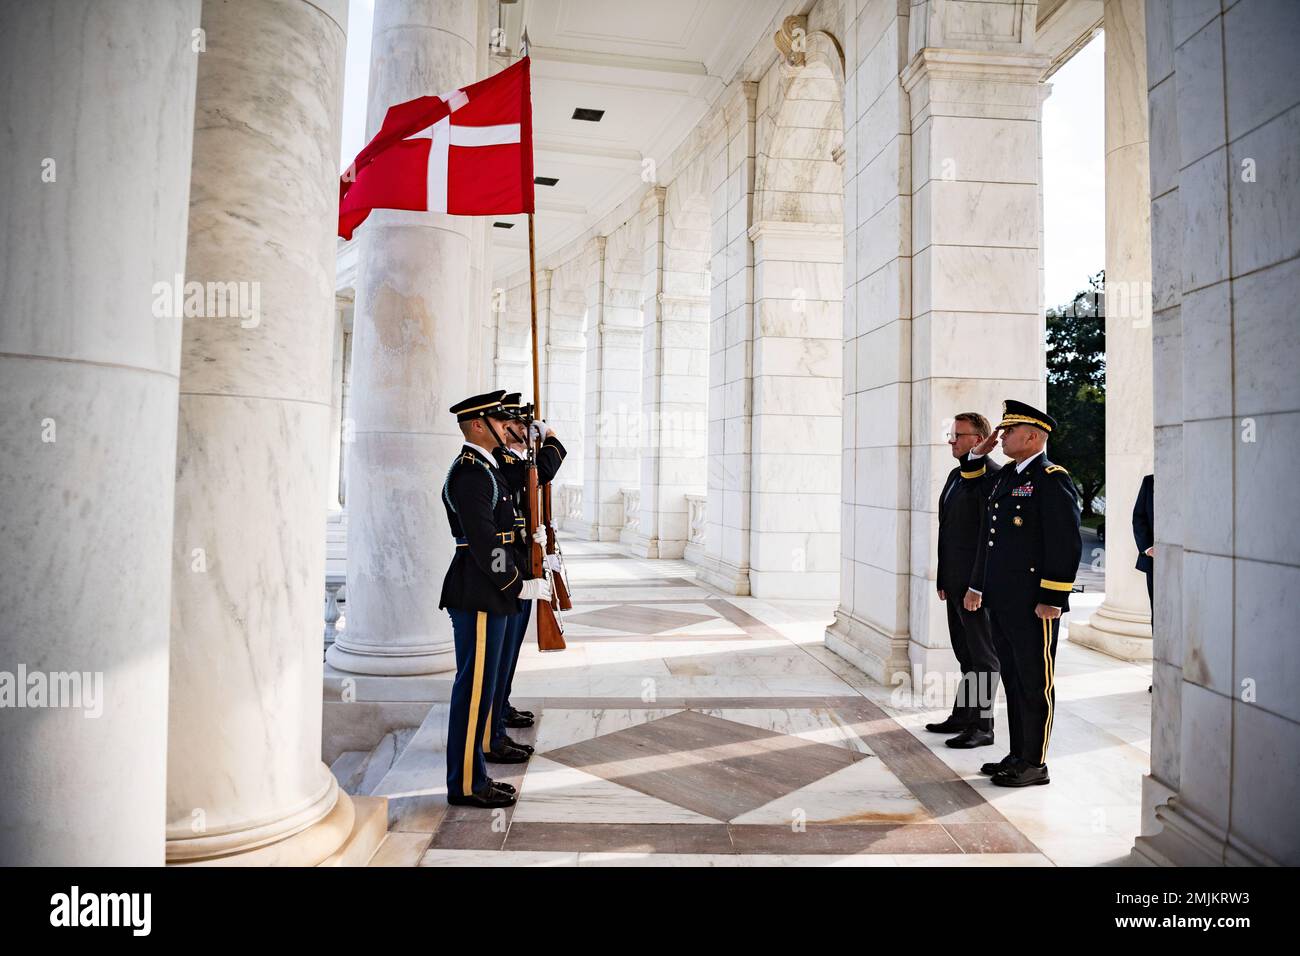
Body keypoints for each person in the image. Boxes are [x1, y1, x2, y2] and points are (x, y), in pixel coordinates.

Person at [438, 389, 551, 808]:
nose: (509, 429)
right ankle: (466, 783)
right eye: (501, 423)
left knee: (485, 690)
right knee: (473, 691)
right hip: (480, 592)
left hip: (490, 590)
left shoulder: (487, 468)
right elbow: (485, 543)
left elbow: (506, 528)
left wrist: (531, 545)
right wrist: (517, 584)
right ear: (479, 426)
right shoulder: (470, 473)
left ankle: (478, 764)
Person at [964, 400, 1082, 787]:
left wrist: (1052, 597)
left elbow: (1064, 544)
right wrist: (978, 585)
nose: (1001, 437)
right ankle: (1017, 754)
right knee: (1013, 679)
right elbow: (987, 535)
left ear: (1032, 436)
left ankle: (1035, 762)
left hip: (1035, 604)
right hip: (1004, 601)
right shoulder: (1007, 477)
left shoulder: (1051, 478)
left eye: (1009, 431)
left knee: (1035, 681)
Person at [482, 392, 567, 763]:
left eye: (517, 424)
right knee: (498, 657)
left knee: (510, 652)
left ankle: (501, 709)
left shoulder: (509, 459)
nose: (517, 430)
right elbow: (541, 472)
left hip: (520, 563)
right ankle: (493, 725)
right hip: (508, 572)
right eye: (514, 424)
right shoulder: (496, 463)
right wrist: (551, 439)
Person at [928, 412, 1002, 749]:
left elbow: (989, 540)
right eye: (951, 434)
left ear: (979, 440)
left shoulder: (992, 478)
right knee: (965, 654)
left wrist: (978, 587)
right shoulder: (955, 476)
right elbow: (948, 534)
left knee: (983, 657)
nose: (951, 440)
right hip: (956, 583)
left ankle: (983, 727)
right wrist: (945, 578)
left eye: (958, 435)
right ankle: (963, 716)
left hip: (977, 589)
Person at [1133, 473, 1154, 693]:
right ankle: (1161, 673)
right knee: (1158, 620)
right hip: (1156, 564)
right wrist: (1148, 548)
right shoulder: (1150, 481)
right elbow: (1139, 517)